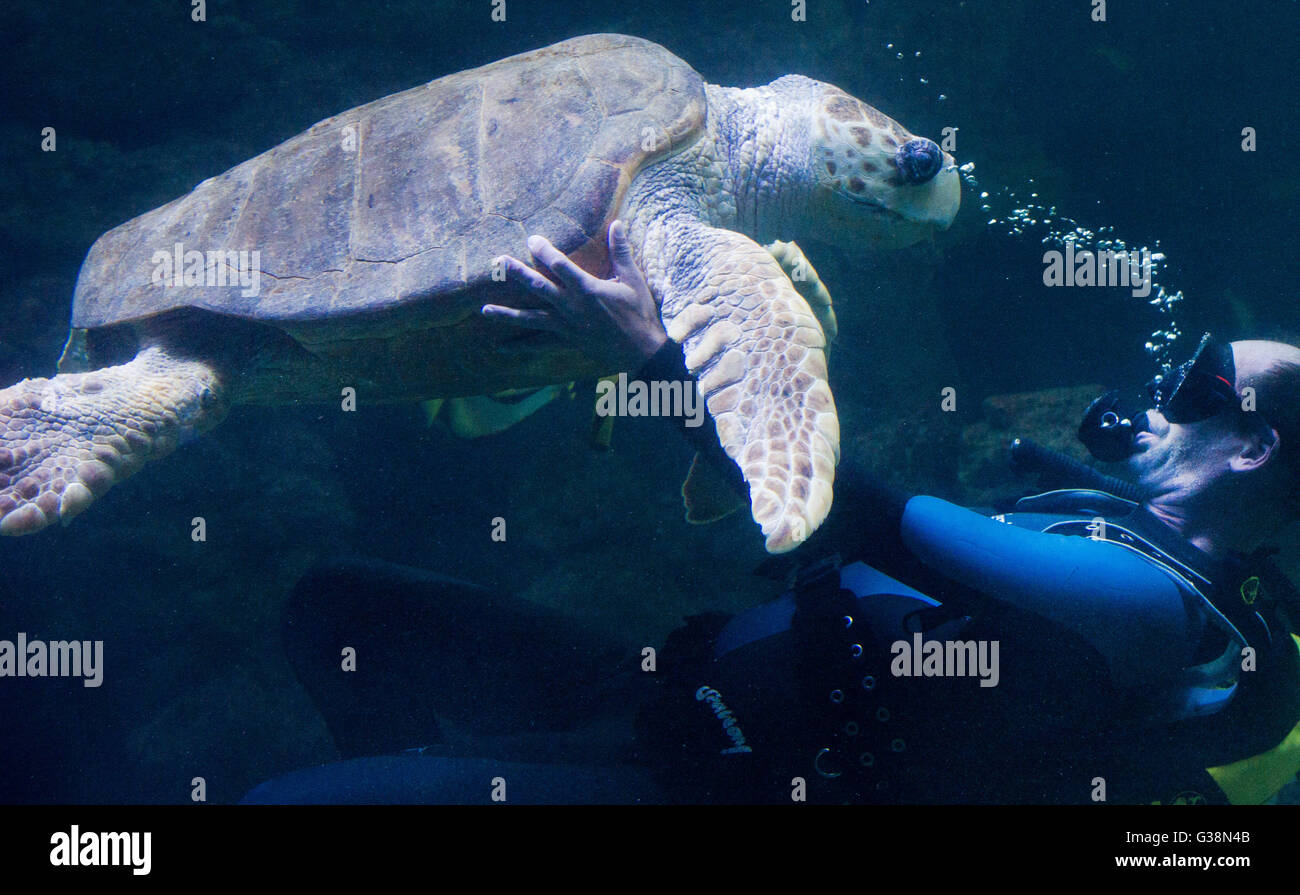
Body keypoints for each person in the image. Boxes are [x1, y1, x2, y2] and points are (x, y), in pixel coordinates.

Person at [244, 224, 1300, 805]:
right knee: (339, 608)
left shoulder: (1150, 599)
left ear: (1253, 449)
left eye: (1204, 384)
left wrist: (650, 356)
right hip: (671, 693)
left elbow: (858, 514)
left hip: (719, 780)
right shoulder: (1101, 527)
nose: (1167, 392)